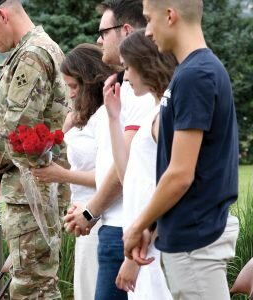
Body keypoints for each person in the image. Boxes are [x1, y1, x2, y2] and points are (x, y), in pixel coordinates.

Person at [123, 1, 240, 299]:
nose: (147, 31)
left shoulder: (195, 75)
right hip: (188, 239)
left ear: (170, 15)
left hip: (196, 242)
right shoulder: (190, 72)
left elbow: (180, 174)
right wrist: (152, 224)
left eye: (148, 20)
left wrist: (137, 226)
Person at [0, 0, 70, 298]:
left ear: (3, 14)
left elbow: (16, 129)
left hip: (31, 195)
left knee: (32, 290)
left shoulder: (32, 55)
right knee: (37, 285)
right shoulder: (36, 49)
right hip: (35, 192)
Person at [64, 1, 155, 299]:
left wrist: (90, 211)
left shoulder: (143, 89)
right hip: (113, 224)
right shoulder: (123, 88)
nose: (99, 39)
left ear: (126, 31)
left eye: (104, 31)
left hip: (123, 227)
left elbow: (126, 169)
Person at [31, 43, 117, 300]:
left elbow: (112, 175)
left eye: (73, 87)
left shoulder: (105, 117)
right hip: (80, 212)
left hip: (100, 212)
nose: (69, 94)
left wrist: (61, 175)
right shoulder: (83, 116)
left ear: (90, 82)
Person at [104, 29, 176, 299]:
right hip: (143, 247)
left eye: (128, 68)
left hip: (151, 251)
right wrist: (114, 119)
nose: (126, 76)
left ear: (147, 65)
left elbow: (167, 189)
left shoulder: (162, 118)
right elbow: (129, 178)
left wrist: (136, 258)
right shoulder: (154, 114)